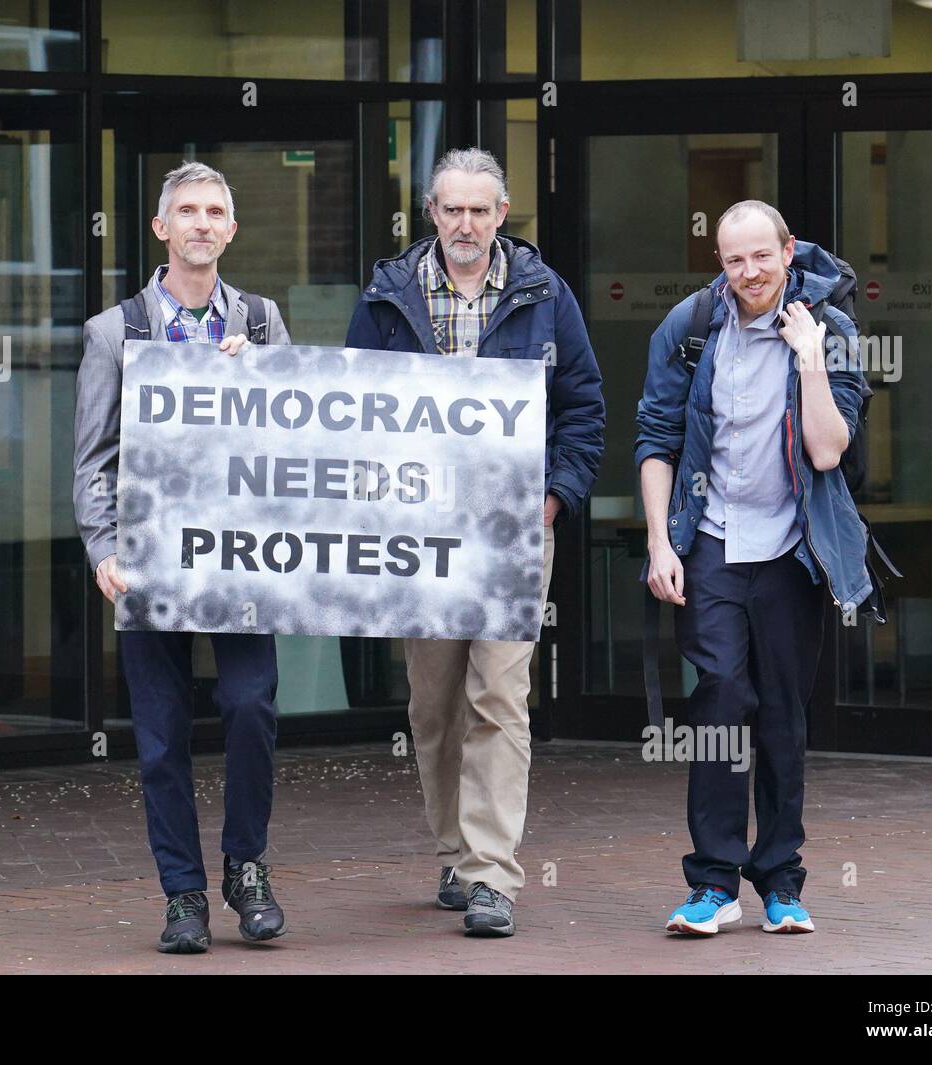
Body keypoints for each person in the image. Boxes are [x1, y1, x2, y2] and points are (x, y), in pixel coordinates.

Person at [346, 147, 605, 937]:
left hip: (512, 533)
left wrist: (554, 502)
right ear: (432, 213)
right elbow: (351, 406)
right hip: (419, 534)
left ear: (503, 214)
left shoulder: (543, 293)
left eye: (480, 209)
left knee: (501, 694)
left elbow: (583, 405)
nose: (466, 223)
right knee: (435, 705)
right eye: (451, 209)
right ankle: (456, 852)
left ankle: (494, 874)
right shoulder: (388, 295)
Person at [635, 199, 870, 936]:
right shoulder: (691, 328)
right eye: (734, 260)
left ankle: (780, 881)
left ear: (788, 248)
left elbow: (830, 450)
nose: (750, 273)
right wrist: (659, 542)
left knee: (781, 712)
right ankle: (711, 882)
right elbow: (656, 438)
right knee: (720, 699)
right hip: (710, 542)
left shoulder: (828, 328)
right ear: (721, 264)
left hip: (791, 551)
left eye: (761, 256)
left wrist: (806, 359)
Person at [73, 161, 291, 953]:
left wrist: (259, 382)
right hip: (152, 562)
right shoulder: (114, 331)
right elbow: (94, 459)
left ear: (231, 230)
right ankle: (183, 894)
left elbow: (299, 449)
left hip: (241, 562)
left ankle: (248, 868)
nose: (202, 223)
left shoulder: (263, 323)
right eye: (187, 212)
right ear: (161, 229)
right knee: (162, 734)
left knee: (250, 707)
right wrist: (102, 547)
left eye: (215, 211)